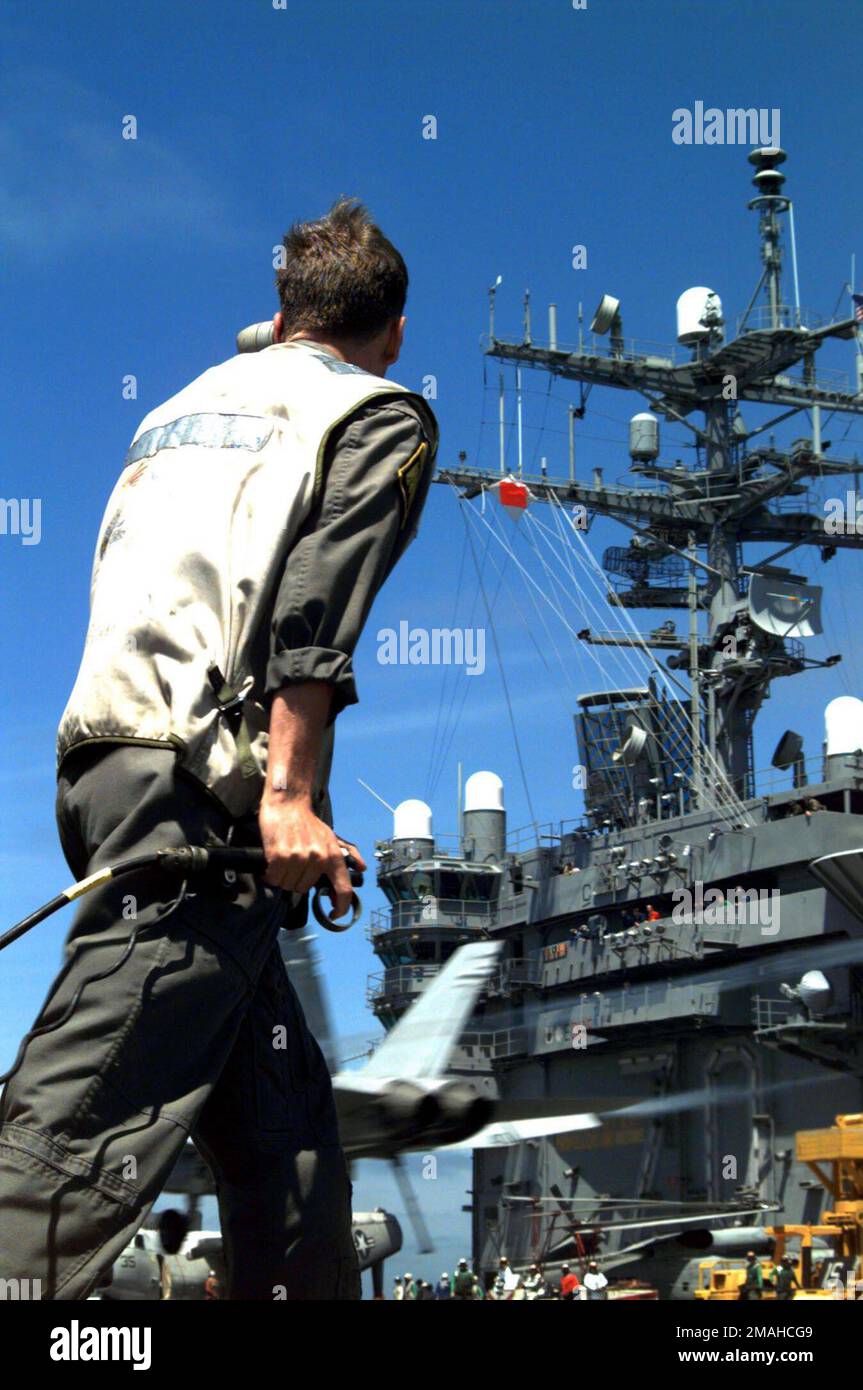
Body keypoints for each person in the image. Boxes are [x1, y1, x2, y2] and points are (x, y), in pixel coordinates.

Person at [0, 199, 439, 1301]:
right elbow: (310, 615)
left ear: (279, 309)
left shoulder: (189, 402)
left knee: (289, 1161)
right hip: (200, 796)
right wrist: (288, 796)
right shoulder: (378, 413)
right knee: (81, 1124)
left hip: (100, 771)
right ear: (391, 329)